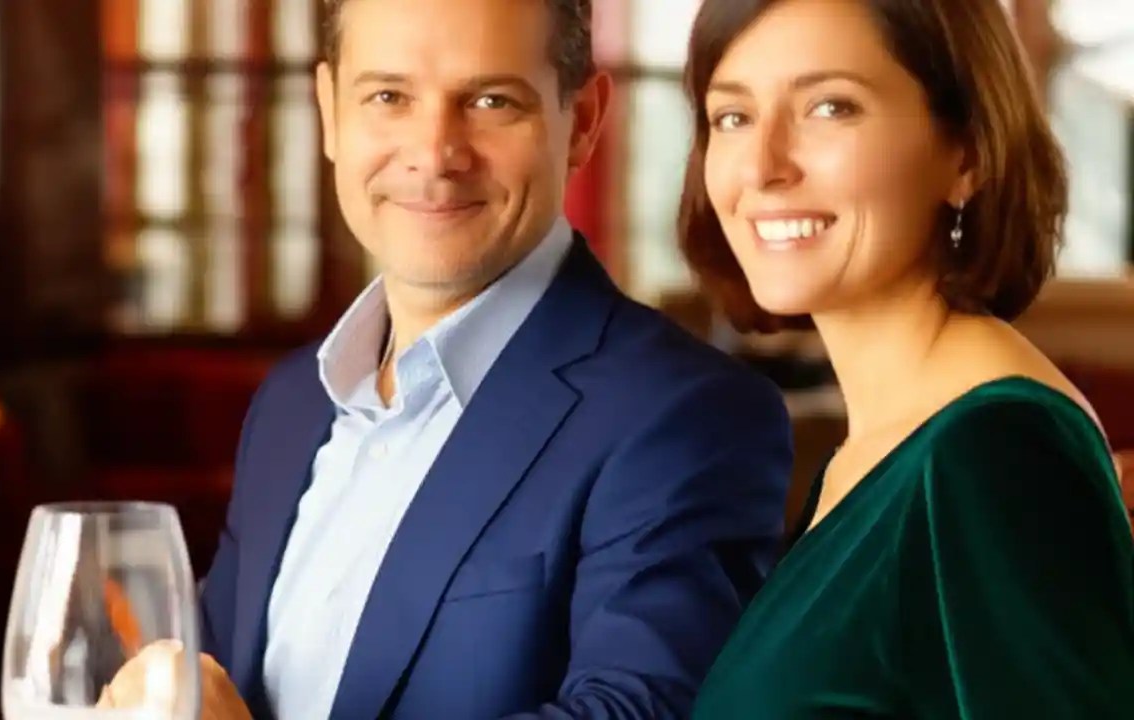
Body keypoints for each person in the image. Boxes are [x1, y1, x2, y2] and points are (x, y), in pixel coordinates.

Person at [101, 0, 794, 717]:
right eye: (388, 97)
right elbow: (211, 681)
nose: (433, 153)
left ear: (583, 120)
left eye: (491, 100)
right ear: (331, 112)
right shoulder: (291, 401)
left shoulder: (686, 417)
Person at [678, 0, 1134, 717]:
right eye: (732, 116)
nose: (762, 166)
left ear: (969, 152)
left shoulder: (992, 449)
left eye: (830, 107)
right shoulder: (876, 448)